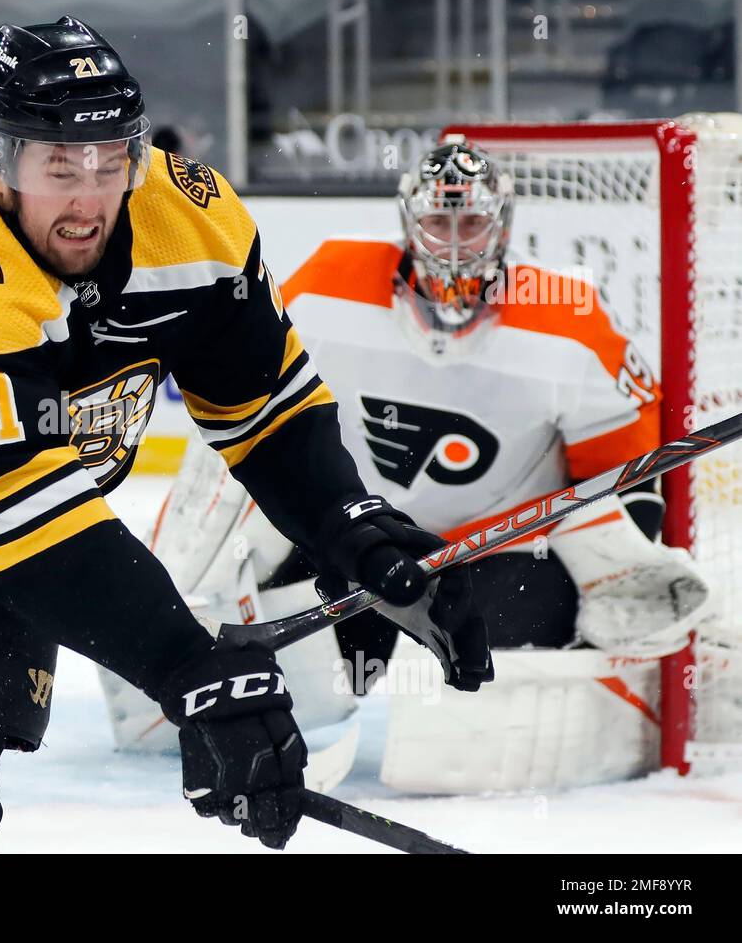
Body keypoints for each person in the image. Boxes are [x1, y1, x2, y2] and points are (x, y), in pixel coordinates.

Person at [0, 17, 491, 854]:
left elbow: (271, 415)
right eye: (59, 167)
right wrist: (190, 669)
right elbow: (29, 521)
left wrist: (357, 534)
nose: (89, 199)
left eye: (110, 162)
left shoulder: (193, 224)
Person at [129, 138, 716, 792]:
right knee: (281, 687)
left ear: (503, 225)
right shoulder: (329, 285)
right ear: (409, 223)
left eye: (471, 222)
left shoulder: (569, 320)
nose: (455, 241)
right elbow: (258, 417)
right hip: (366, 552)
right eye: (440, 222)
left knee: (468, 722)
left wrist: (623, 566)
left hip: (506, 563)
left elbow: (624, 476)